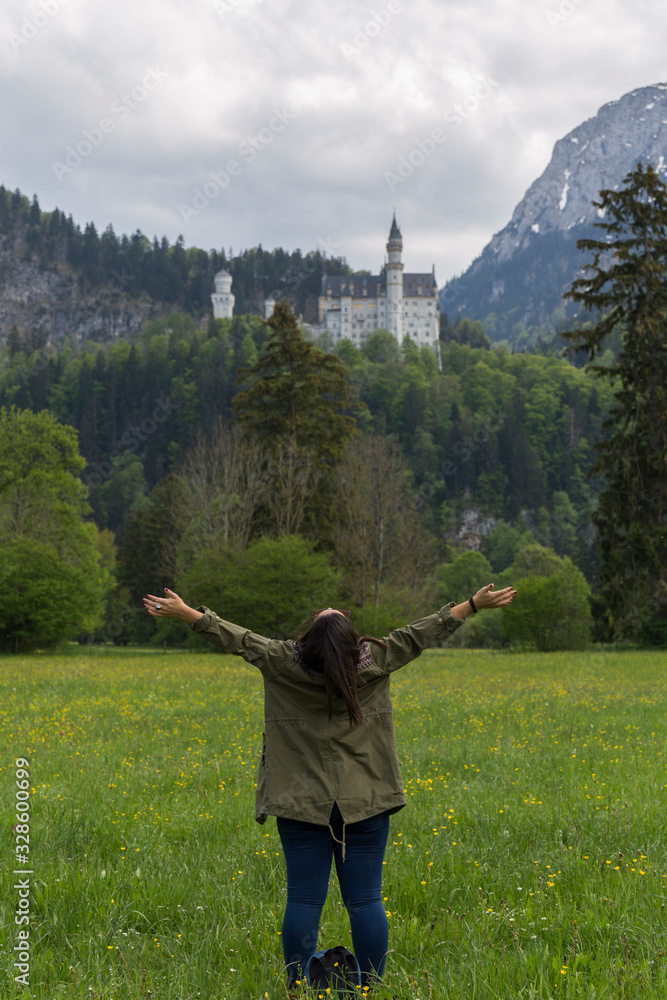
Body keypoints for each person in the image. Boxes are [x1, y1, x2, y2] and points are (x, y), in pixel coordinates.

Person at [143, 584, 516, 992]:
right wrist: (474, 604)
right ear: (352, 641)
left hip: (300, 802)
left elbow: (237, 639)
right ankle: (370, 985)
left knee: (304, 900)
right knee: (365, 900)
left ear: (309, 639)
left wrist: (186, 613)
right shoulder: (375, 661)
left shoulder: (282, 661)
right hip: (366, 801)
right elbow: (419, 633)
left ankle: (298, 987)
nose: (328, 607)